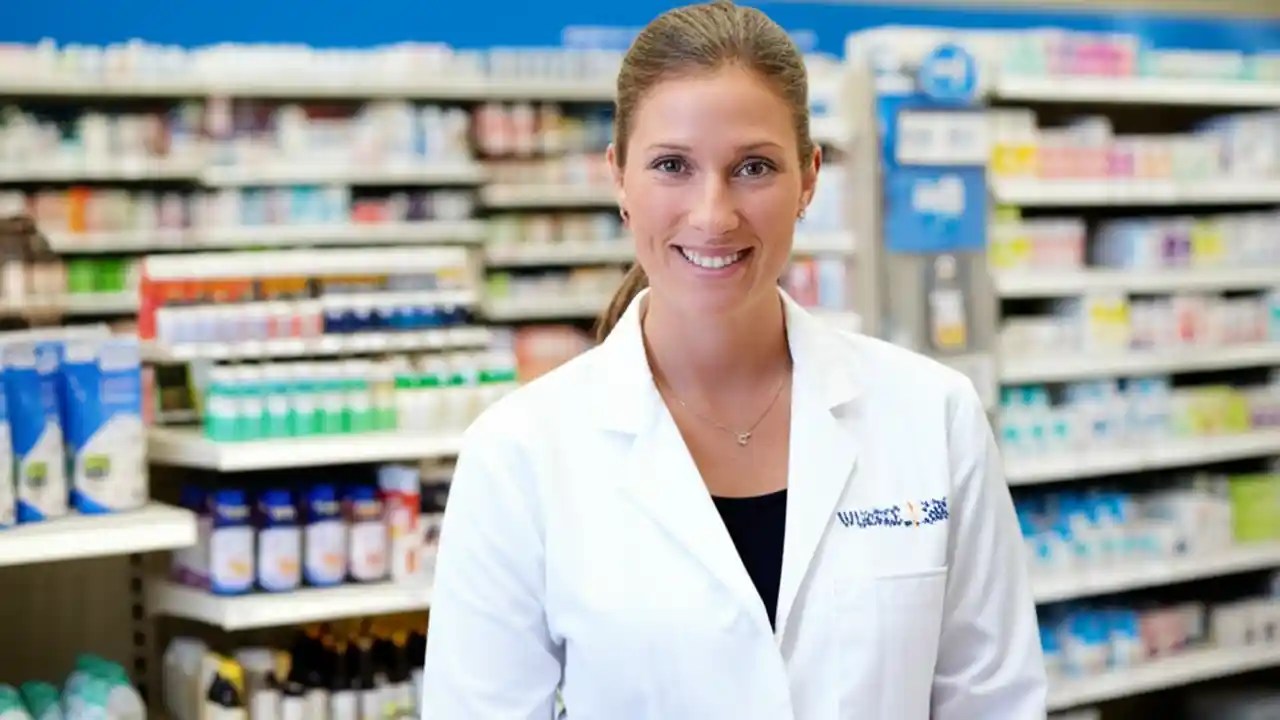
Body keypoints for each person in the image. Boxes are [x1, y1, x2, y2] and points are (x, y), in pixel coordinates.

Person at [420, 1, 1047, 717]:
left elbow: (995, 703)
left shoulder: (934, 415)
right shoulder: (518, 454)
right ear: (619, 177)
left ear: (810, 178)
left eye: (754, 167)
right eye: (671, 166)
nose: (713, 215)